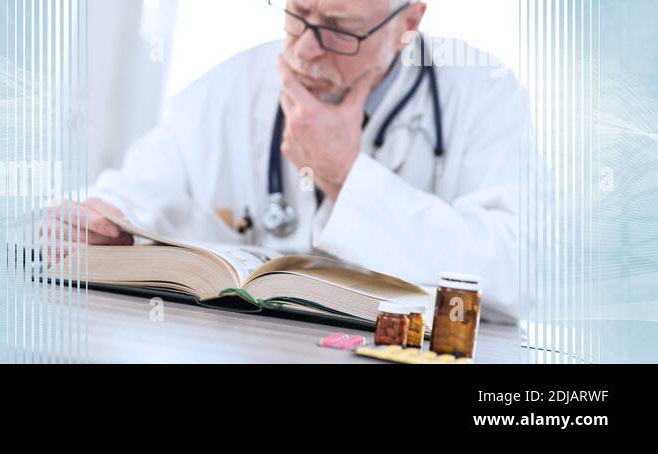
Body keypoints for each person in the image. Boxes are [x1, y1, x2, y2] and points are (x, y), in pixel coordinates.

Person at [46, 0, 528, 320]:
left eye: (340, 30)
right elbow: (136, 191)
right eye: (298, 12)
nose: (305, 49)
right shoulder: (230, 86)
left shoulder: (483, 95)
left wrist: (345, 176)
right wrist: (100, 221)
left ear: (409, 22)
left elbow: (513, 273)